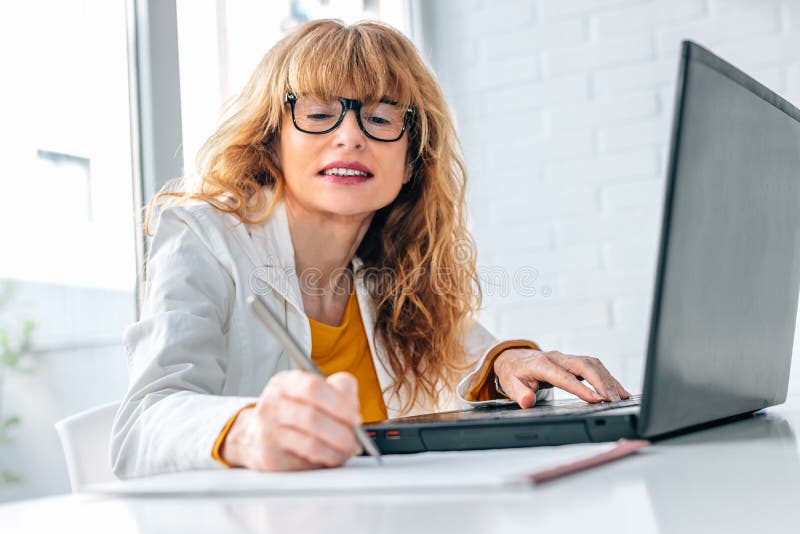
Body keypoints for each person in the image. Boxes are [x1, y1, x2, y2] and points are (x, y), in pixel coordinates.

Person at [110, 19, 630, 478]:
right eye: (318, 113)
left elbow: (471, 357)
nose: (351, 137)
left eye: (381, 119)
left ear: (409, 163)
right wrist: (247, 431)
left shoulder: (392, 267)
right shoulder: (203, 236)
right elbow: (142, 423)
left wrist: (512, 361)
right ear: (271, 139)